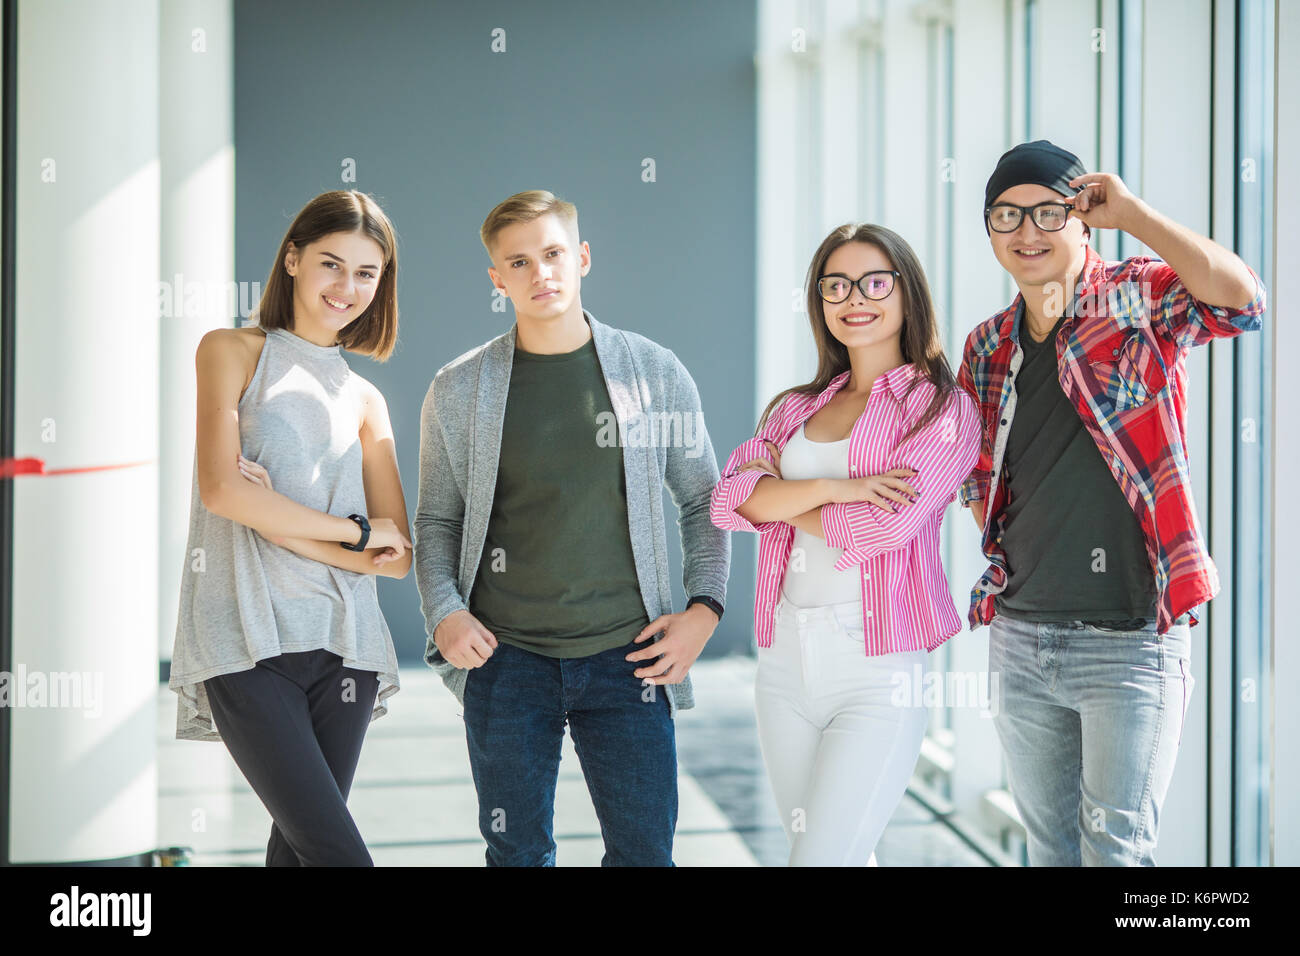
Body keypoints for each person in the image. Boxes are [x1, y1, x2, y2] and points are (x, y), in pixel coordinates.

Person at [956, 140, 1266, 866]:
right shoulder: (987, 348)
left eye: (1045, 212)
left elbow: (1241, 300)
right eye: (1006, 215)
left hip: (1130, 640)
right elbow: (975, 473)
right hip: (1022, 636)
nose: (1026, 231)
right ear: (990, 230)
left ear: (1083, 221)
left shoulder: (1134, 298)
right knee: (1050, 850)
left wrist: (1135, 214)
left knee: (1117, 853)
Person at [413, 189, 730, 866]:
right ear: (497, 279)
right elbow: (438, 518)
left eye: (554, 254)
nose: (541, 274)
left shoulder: (653, 373)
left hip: (630, 657)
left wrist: (705, 610)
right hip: (508, 661)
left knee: (645, 854)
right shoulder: (459, 389)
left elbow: (705, 499)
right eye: (519, 263)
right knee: (517, 854)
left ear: (582, 256)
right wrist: (443, 611)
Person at [710, 223, 981, 866]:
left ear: (907, 294)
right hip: (782, 665)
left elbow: (881, 529)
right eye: (836, 285)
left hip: (876, 665)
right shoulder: (793, 409)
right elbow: (730, 498)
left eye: (873, 282)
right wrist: (842, 485)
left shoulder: (940, 409)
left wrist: (786, 500)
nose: (853, 297)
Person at [169, 190, 412, 866]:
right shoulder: (232, 351)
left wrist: (290, 529)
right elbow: (221, 490)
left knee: (301, 853)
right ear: (293, 258)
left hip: (345, 647)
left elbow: (395, 555)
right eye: (332, 264)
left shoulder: (366, 399)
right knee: (337, 854)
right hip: (245, 638)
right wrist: (351, 536)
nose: (348, 287)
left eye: (367, 273)